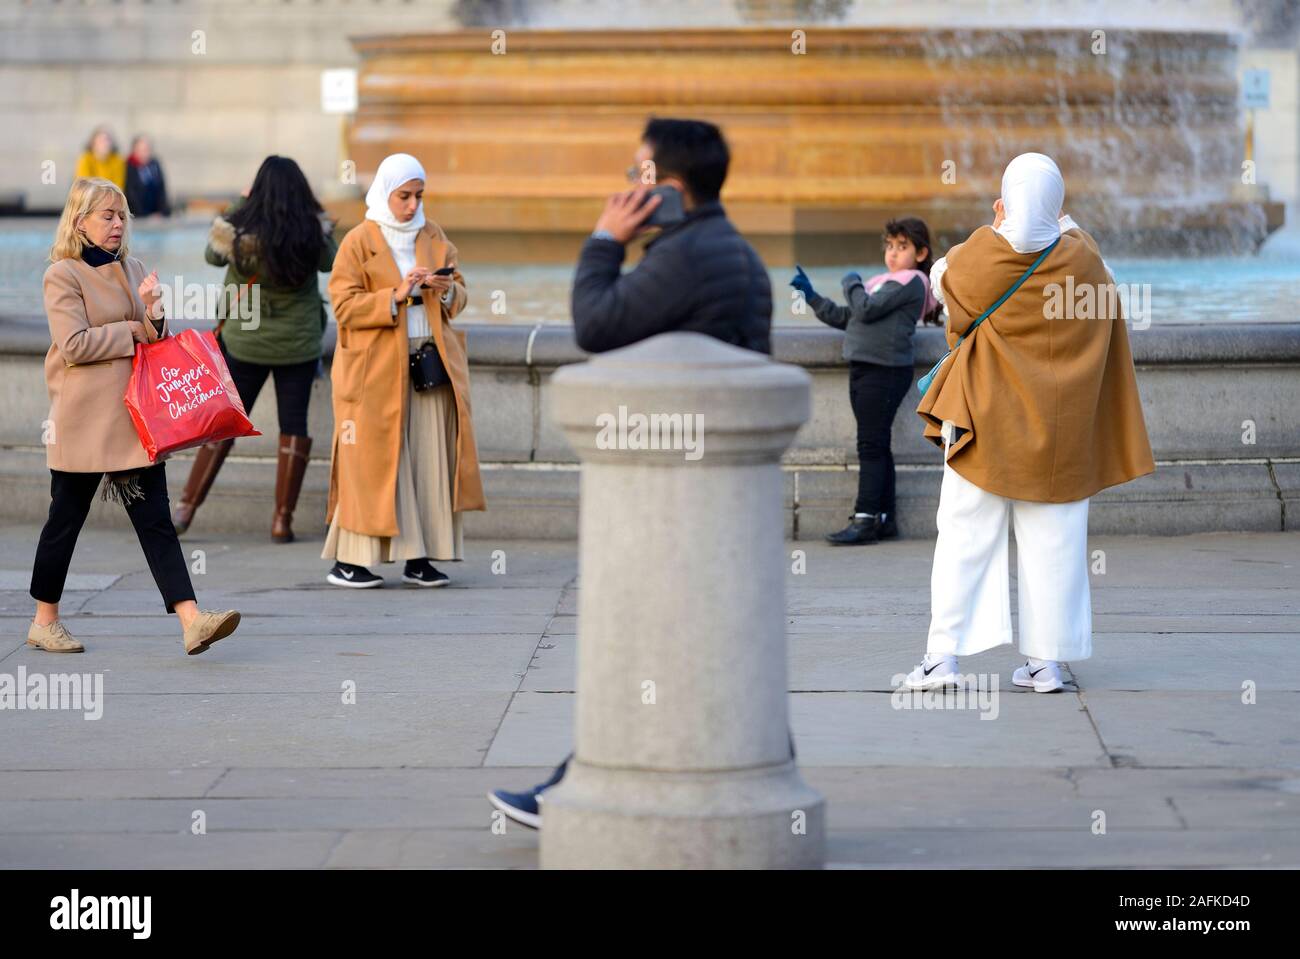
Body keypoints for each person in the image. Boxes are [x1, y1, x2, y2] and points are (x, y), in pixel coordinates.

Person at [489, 117, 775, 830]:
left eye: (638, 175)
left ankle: (583, 789)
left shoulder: (686, 257)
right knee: (697, 660)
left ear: (670, 188)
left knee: (645, 656)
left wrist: (603, 242)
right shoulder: (732, 249)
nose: (627, 187)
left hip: (676, 500)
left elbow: (595, 321)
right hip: (718, 498)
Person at [906, 153, 1154, 693]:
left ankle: (941, 658)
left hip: (981, 425)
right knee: (1057, 542)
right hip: (1059, 431)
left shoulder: (982, 255)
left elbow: (942, 281)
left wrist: (997, 226)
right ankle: (1048, 662)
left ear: (1003, 201)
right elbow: (1108, 293)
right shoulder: (1085, 262)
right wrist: (1064, 226)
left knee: (963, 537)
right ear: (1060, 205)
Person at [28, 177, 241, 656]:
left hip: (132, 420)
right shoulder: (61, 275)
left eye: (122, 215)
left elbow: (155, 338)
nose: (118, 224)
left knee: (155, 520)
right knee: (64, 520)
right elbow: (74, 345)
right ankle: (45, 620)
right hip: (83, 423)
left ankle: (192, 621)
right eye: (107, 216)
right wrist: (132, 327)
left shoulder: (134, 267)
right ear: (80, 221)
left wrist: (155, 312)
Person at [321, 152, 484, 588]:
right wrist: (396, 293)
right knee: (370, 463)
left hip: (429, 362)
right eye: (404, 196)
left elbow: (461, 295)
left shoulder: (433, 234)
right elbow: (342, 305)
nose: (412, 205)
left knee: (429, 457)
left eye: (418, 195)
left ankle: (422, 556)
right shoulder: (358, 240)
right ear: (384, 194)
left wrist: (446, 291)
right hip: (374, 366)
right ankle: (351, 561)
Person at [171, 156, 338, 543]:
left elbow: (211, 255)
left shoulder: (241, 228)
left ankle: (186, 508)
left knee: (225, 423)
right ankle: (282, 520)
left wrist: (238, 206)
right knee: (294, 426)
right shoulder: (310, 231)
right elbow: (331, 261)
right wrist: (314, 211)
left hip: (245, 342)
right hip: (296, 346)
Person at [791, 217, 940, 546]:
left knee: (870, 446)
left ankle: (865, 518)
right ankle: (884, 519)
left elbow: (866, 309)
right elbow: (848, 317)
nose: (893, 253)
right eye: (889, 246)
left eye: (902, 247)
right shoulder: (883, 283)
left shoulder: (912, 281)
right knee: (877, 444)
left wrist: (851, 280)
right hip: (868, 368)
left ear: (920, 253)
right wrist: (811, 295)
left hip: (884, 370)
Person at [125, 135, 170, 218]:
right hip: (139, 216)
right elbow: (131, 196)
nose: (144, 153)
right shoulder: (128, 166)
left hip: (157, 216)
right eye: (141, 150)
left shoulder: (154, 164)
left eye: (147, 149)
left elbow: (161, 191)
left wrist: (162, 213)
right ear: (135, 150)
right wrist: (146, 216)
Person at [74, 127, 126, 191]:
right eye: (101, 140)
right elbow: (83, 185)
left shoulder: (118, 160)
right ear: (93, 143)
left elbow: (118, 187)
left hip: (111, 197)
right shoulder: (85, 158)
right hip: (89, 197)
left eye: (107, 140)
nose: (105, 144)